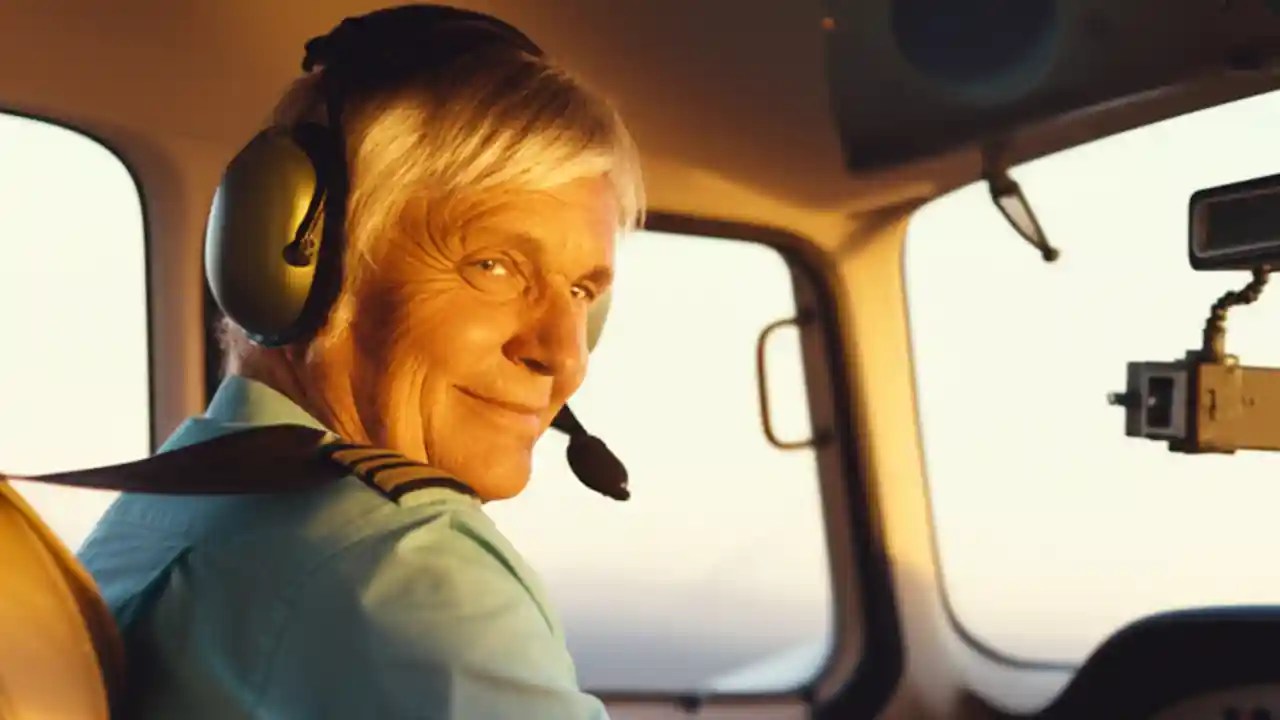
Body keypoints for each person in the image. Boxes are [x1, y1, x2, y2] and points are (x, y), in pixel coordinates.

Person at [78, 5, 643, 719]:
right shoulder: (408, 571)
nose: (562, 354)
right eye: (493, 265)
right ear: (301, 270)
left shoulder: (166, 519)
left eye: (581, 291)